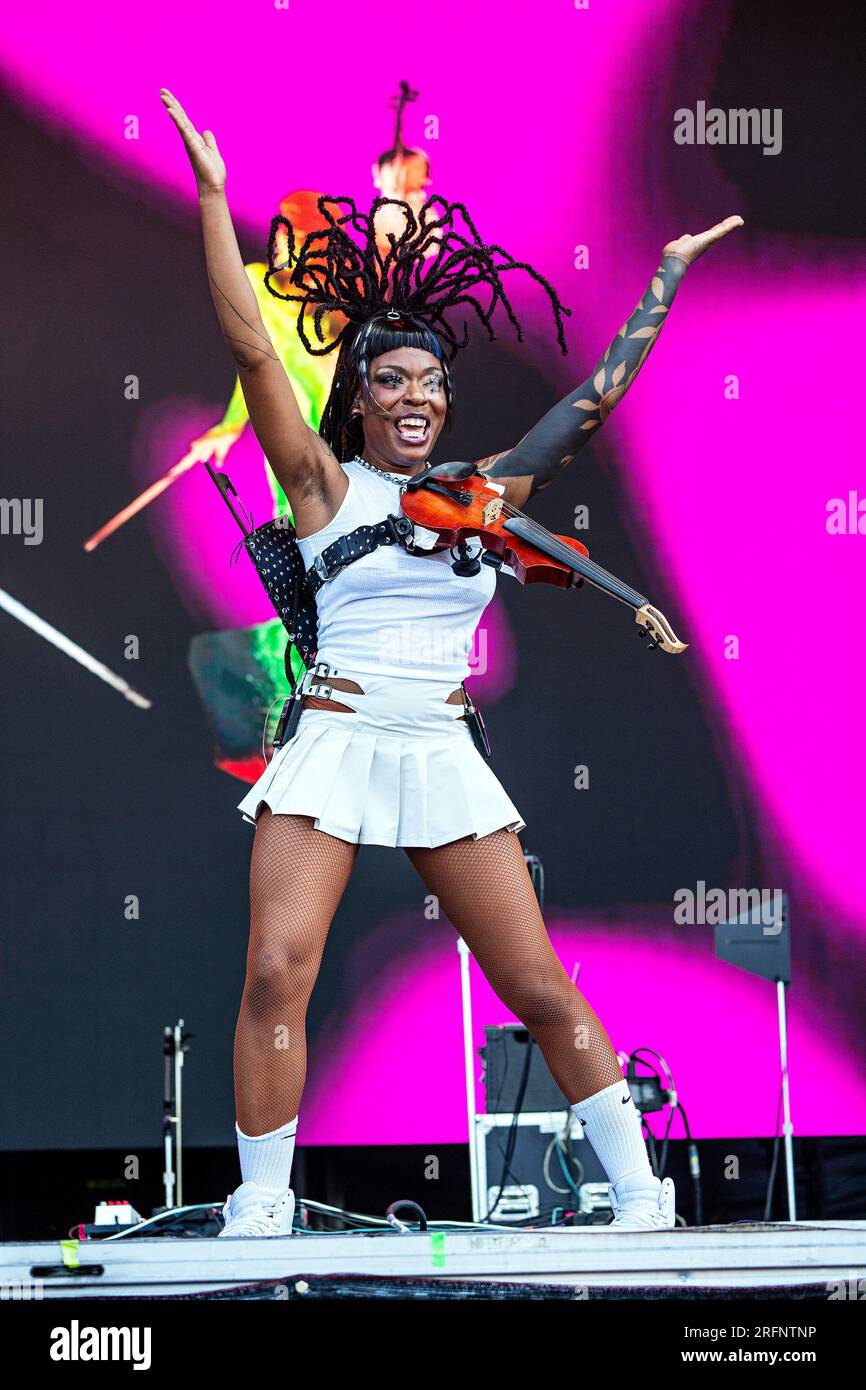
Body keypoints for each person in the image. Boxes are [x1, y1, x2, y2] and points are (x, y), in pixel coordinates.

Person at [160, 87, 742, 1237]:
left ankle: (640, 1193)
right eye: (393, 383)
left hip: (437, 744)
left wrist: (665, 275)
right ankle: (261, 1202)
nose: (417, 398)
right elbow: (247, 347)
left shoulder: (483, 493)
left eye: (431, 383)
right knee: (277, 969)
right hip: (328, 736)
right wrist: (217, 201)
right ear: (360, 400)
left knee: (535, 984)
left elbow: (591, 400)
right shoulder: (323, 488)